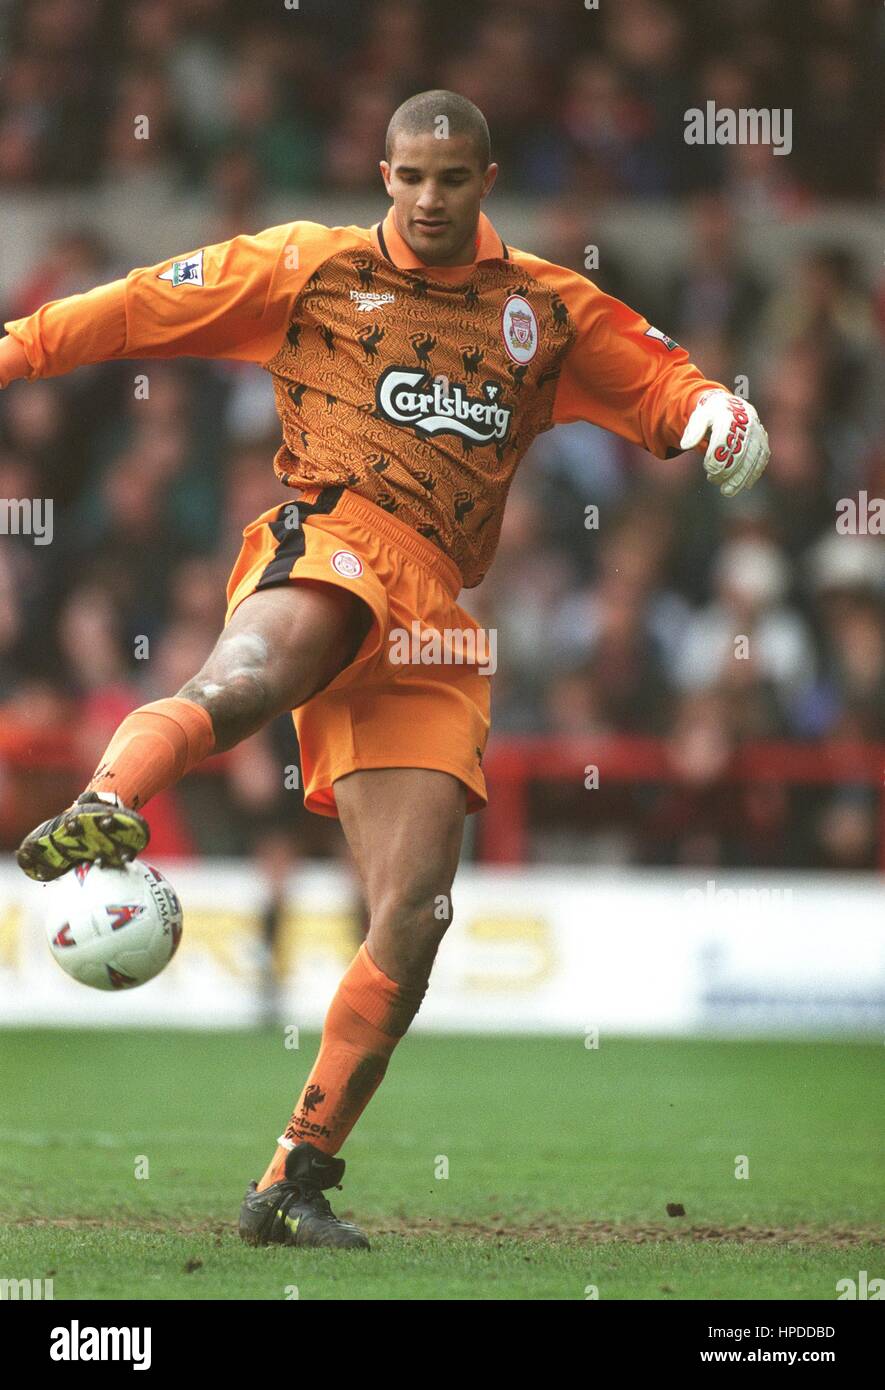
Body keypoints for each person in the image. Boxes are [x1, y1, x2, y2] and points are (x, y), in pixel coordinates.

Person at [0, 90, 770, 1250]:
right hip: (335, 539)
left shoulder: (545, 310)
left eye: (450, 180)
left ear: (486, 179)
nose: (426, 199)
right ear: (383, 173)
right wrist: (10, 350)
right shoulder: (308, 269)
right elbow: (134, 311)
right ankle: (110, 802)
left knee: (414, 915)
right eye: (408, 178)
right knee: (248, 681)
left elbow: (663, 382)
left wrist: (718, 412)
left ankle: (292, 1178)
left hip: (436, 627)